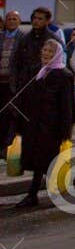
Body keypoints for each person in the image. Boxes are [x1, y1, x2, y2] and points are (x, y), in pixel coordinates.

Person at [11, 36, 74, 208]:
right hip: (34, 125)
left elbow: (67, 106)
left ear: (57, 54)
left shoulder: (64, 75)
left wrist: (66, 133)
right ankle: (33, 195)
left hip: (52, 127)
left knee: (49, 161)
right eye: (45, 50)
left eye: (50, 52)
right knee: (38, 161)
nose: (46, 54)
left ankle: (50, 192)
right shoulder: (36, 71)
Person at [0, 9, 21, 154]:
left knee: (10, 116)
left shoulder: (23, 38)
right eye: (9, 19)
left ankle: (7, 147)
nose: (12, 21)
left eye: (14, 19)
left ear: (19, 21)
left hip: (13, 85)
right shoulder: (1, 36)